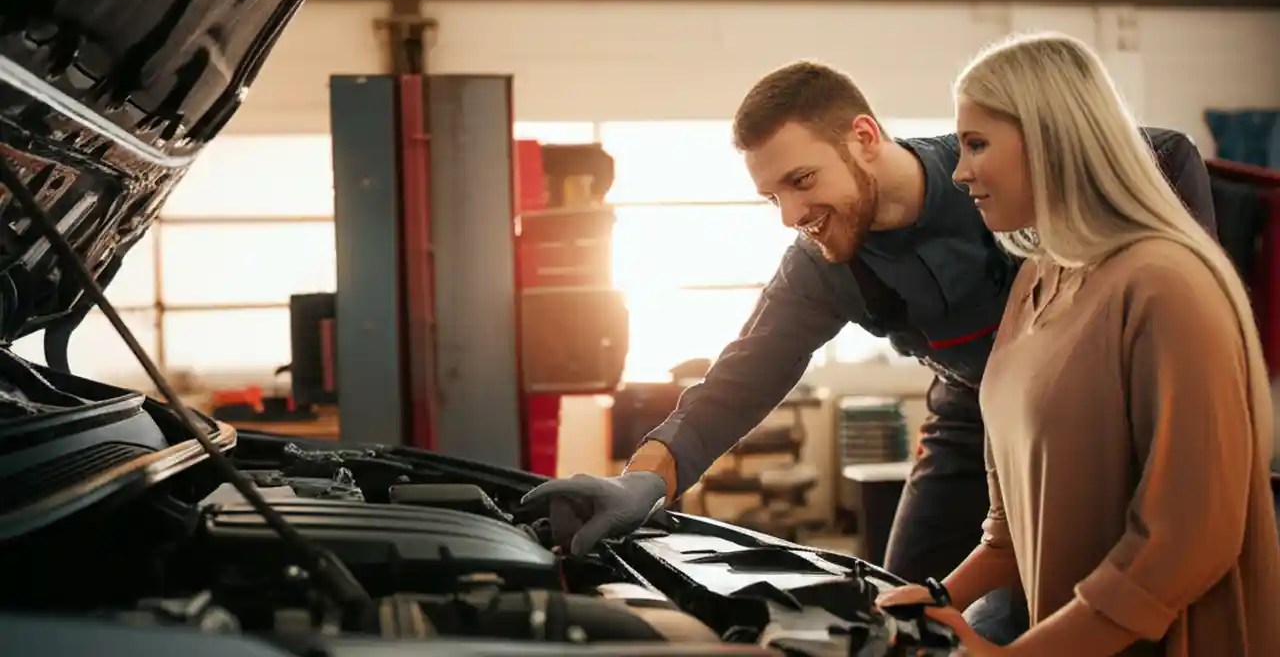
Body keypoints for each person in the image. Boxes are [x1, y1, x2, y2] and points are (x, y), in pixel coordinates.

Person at [520, 54, 1216, 622]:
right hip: (972, 416)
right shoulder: (822, 267)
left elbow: (1164, 156)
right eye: (774, 197)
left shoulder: (994, 180)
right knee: (899, 607)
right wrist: (644, 480)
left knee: (1093, 584)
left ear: (863, 137)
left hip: (1093, 416)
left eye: (802, 180)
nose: (793, 214)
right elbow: (737, 381)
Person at [875, 32, 1280, 656]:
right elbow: (1012, 530)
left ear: (1049, 138)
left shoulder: (1165, 285)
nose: (959, 172)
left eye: (977, 144)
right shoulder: (1039, 274)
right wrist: (938, 597)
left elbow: (1187, 542)